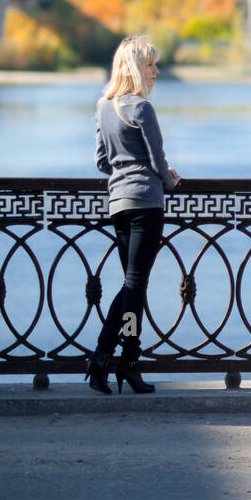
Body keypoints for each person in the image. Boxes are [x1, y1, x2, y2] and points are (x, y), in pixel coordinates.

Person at [88, 35, 181, 394]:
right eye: (151, 65)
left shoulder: (103, 106)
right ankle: (114, 360)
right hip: (146, 202)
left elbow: (101, 161)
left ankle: (115, 361)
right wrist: (170, 180)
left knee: (132, 286)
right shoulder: (142, 109)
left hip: (119, 204)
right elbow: (158, 162)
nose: (156, 71)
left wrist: (122, 166)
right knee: (134, 285)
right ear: (136, 68)